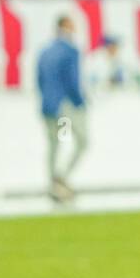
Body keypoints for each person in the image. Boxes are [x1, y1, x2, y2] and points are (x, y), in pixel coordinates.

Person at [38, 15, 88, 203]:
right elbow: (72, 81)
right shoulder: (70, 51)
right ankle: (61, 179)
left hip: (48, 107)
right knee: (74, 141)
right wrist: (80, 102)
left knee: (55, 144)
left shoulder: (45, 51)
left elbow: (40, 80)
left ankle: (54, 181)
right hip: (64, 109)